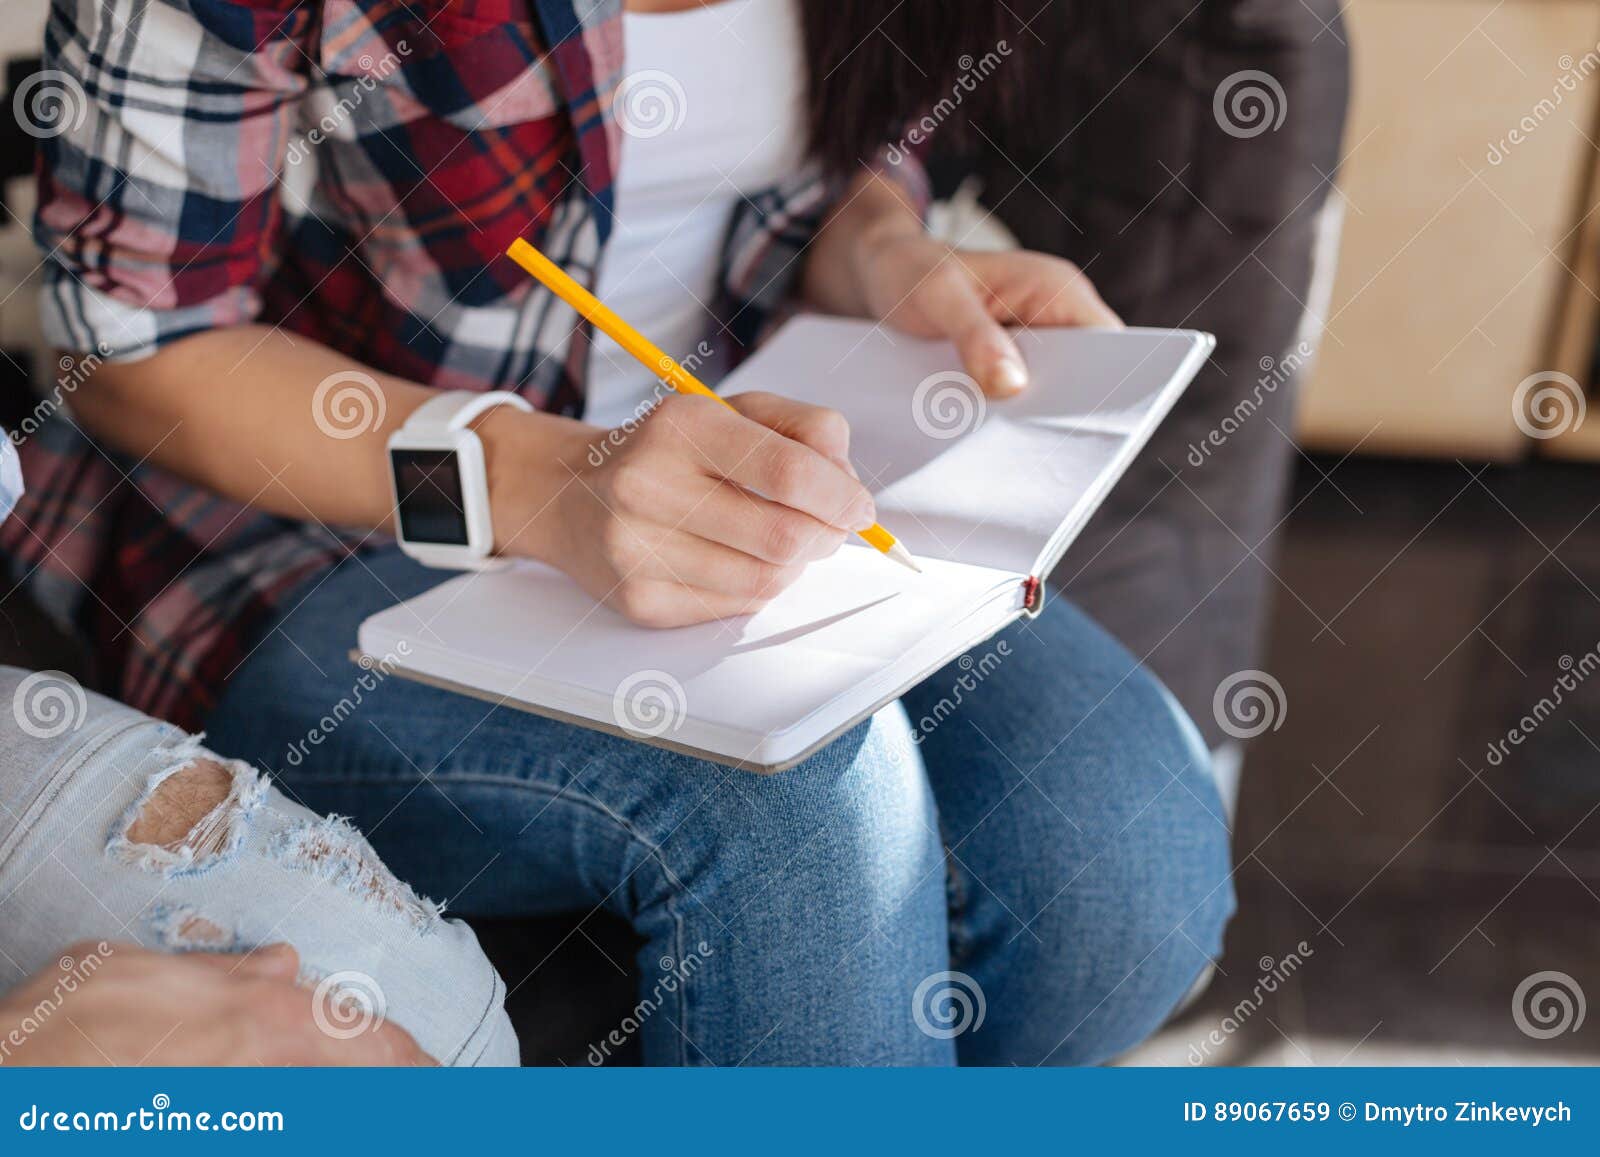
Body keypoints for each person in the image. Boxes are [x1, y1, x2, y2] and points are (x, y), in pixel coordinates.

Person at [3, 0, 1233, 1064]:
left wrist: (882, 251)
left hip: (740, 473)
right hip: (332, 535)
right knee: (805, 814)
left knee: (1123, 857)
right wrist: (543, 483)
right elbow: (130, 350)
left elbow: (805, 163)